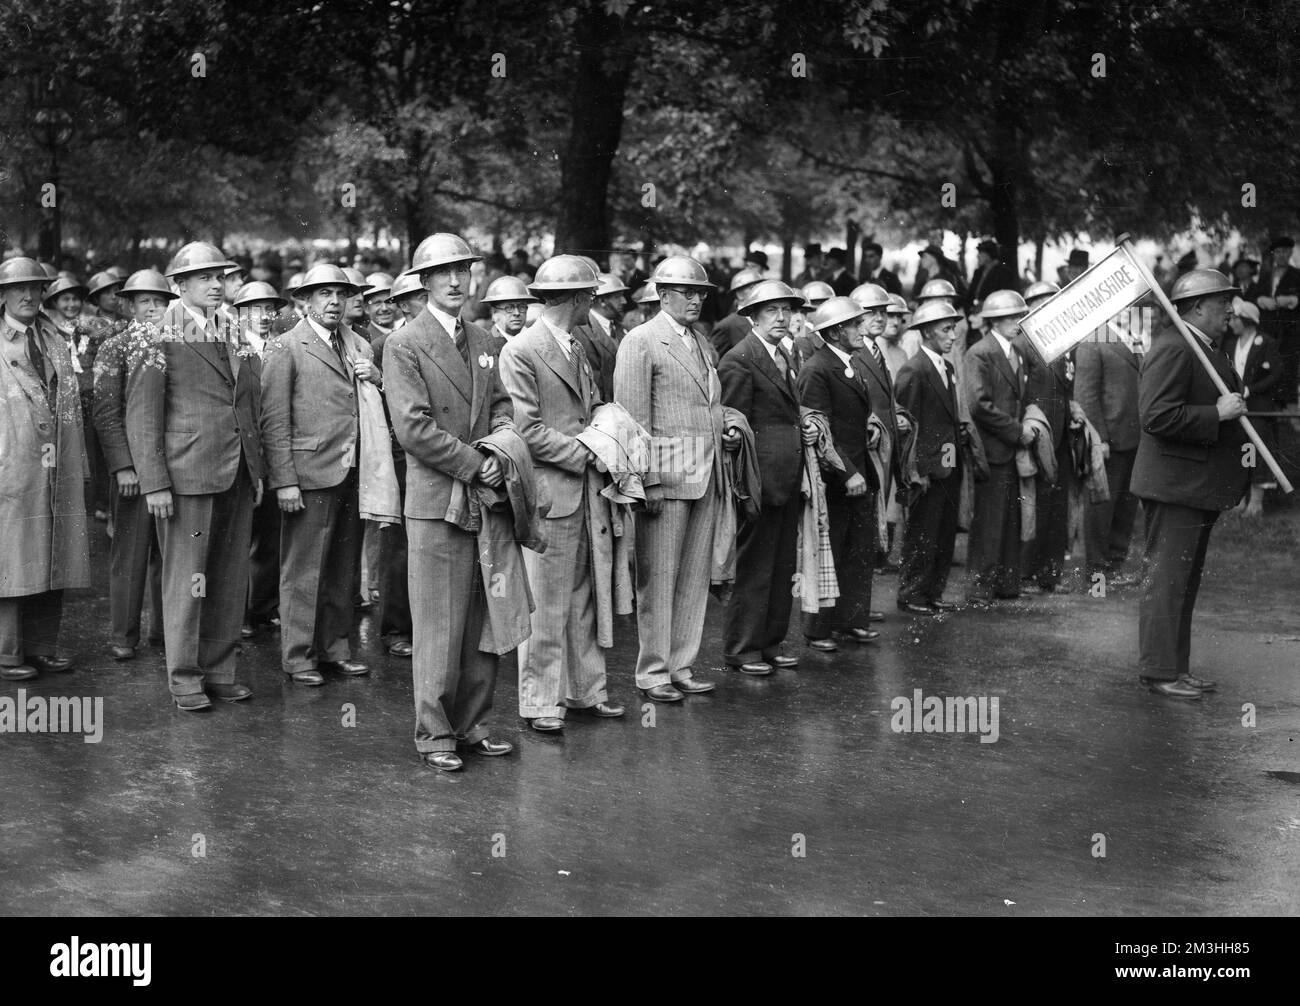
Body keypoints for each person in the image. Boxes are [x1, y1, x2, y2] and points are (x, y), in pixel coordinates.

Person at [383, 232, 516, 770]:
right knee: (439, 623)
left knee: (484, 619)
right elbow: (413, 429)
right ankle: (435, 734)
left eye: (463, 270)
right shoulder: (405, 343)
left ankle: (474, 723)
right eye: (444, 273)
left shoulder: (486, 342)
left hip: (485, 497)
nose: (457, 281)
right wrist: (476, 463)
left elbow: (505, 407)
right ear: (424, 282)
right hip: (439, 499)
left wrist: (502, 445)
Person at [125, 241, 264, 711]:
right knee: (188, 580)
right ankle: (185, 677)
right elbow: (142, 415)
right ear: (178, 286)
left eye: (220, 277)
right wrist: (155, 482)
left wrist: (256, 469)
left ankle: (220, 670)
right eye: (204, 278)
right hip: (186, 475)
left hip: (237, 472)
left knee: (227, 577)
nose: (215, 285)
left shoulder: (234, 328)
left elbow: (247, 403)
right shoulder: (158, 333)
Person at [498, 256, 625, 731]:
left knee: (583, 598)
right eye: (590, 294)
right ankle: (540, 702)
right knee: (547, 603)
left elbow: (586, 410)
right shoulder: (523, 350)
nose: (593, 301)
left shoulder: (575, 344)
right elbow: (525, 430)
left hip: (582, 490)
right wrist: (586, 454)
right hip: (553, 493)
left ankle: (586, 690)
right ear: (574, 299)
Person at [614, 255, 733, 701]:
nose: (696, 299)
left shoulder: (700, 341)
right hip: (666, 475)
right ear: (662, 295)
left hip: (705, 474)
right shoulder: (640, 341)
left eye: (701, 292)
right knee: (658, 579)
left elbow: (709, 405)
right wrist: (644, 482)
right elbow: (632, 419)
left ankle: (681, 664)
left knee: (692, 576)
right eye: (687, 292)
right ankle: (653, 672)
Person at [1130, 269, 1249, 698]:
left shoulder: (1203, 348)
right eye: (1223, 303)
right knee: (1167, 581)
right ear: (1197, 307)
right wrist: (1215, 414)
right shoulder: (1175, 347)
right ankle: (1160, 671)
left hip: (1193, 487)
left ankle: (1174, 668)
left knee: (1183, 581)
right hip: (1175, 487)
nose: (1231, 310)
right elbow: (1156, 416)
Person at [261, 264, 378, 686]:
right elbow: (274, 420)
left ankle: (335, 648)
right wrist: (285, 480)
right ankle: (298, 656)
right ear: (305, 301)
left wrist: (376, 378)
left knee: (343, 567)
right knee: (304, 567)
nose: (333, 301)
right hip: (308, 474)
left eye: (340, 294)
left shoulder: (359, 344)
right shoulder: (286, 346)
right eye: (323, 294)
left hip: (352, 471)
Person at [0, 257, 90, 682]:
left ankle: (41, 647)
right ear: (2, 294)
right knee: (13, 561)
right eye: (19, 288)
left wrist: (80, 466)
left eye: (36, 287)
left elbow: (71, 407)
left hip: (58, 465)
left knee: (52, 557)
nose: (29, 295)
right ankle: (7, 653)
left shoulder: (54, 337)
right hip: (13, 465)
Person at [717, 280, 812, 675]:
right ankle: (743, 647)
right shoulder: (740, 359)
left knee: (780, 564)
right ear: (753, 317)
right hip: (758, 482)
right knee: (755, 564)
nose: (782, 317)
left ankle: (770, 642)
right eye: (772, 311)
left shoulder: (781, 355)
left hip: (786, 476)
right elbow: (733, 425)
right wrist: (743, 485)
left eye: (786, 310)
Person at [92, 269, 169, 660]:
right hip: (133, 471)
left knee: (167, 553)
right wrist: (123, 466)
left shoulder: (177, 344)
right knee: (131, 553)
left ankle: (162, 632)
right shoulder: (115, 346)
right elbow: (105, 413)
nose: (153, 308)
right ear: (130, 305)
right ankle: (124, 635)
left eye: (159, 301)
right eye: (144, 302)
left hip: (171, 467)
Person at [797, 296, 880, 650]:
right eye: (854, 324)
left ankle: (851, 620)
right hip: (835, 479)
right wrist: (847, 472)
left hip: (858, 472)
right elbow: (819, 428)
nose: (862, 329)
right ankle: (818, 629)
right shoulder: (817, 368)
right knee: (828, 550)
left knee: (857, 549)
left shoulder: (850, 362)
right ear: (835, 331)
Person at [894, 301, 968, 614]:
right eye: (946, 330)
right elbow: (907, 427)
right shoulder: (914, 369)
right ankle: (912, 593)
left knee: (943, 532)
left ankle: (933, 591)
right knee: (923, 532)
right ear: (927, 332)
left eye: (953, 329)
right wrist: (916, 471)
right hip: (926, 469)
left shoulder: (946, 367)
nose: (953, 336)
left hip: (948, 466)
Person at [962, 289, 1031, 607]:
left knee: (1008, 519)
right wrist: (1017, 432)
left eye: (1019, 316)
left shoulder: (1012, 350)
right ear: (995, 320)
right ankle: (979, 587)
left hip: (1009, 448)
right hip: (993, 449)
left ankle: (1005, 583)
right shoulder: (980, 352)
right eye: (1012, 317)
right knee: (989, 520)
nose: (1018, 322)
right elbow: (979, 405)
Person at [1073, 284, 1143, 585]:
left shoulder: (1136, 337)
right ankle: (1097, 571)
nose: (1129, 308)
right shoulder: (1092, 339)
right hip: (1109, 440)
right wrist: (1098, 438)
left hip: (1134, 437)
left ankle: (1114, 565)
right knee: (1101, 506)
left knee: (1126, 507)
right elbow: (1086, 395)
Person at [230, 281, 286, 639]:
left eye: (269, 310)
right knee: (242, 537)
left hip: (274, 451)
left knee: (270, 536)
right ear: (240, 315)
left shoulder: (280, 348)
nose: (263, 317)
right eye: (255, 310)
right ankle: (240, 611)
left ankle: (263, 607)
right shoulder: (233, 350)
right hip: (245, 454)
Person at [1222, 299, 1284, 517]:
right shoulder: (1229, 344)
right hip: (1238, 408)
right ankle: (1240, 499)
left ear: (1246, 319)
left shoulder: (1266, 343)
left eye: (1235, 318)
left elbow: (1275, 375)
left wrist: (1251, 390)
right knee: (1242, 450)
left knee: (1257, 451)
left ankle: (1256, 502)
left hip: (1258, 408)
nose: (1230, 323)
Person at [1252, 236, 1300, 408]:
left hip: (1289, 328)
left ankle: (1289, 405)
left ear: (1290, 253)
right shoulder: (1265, 275)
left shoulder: (1296, 275)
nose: (1281, 255)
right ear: (1273, 254)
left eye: (1284, 252)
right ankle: (1269, 403)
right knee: (1268, 361)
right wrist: (1262, 300)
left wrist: (1290, 300)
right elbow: (1255, 296)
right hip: (1268, 326)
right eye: (1278, 252)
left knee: (1289, 364)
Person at [570, 271, 622, 403]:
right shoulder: (580, 328)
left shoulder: (621, 328)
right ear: (603, 300)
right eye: (618, 297)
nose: (624, 301)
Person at [709, 266, 765, 357]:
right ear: (739, 294)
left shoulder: (765, 320)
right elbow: (713, 360)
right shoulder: (727, 325)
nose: (758, 292)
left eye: (759, 287)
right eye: (752, 287)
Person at [964, 240, 1020, 318]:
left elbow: (1004, 296)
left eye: (981, 253)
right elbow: (970, 295)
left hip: (994, 313)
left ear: (988, 255)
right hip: (975, 314)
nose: (978, 256)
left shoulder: (1003, 271)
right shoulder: (978, 272)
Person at [479, 274, 534, 353]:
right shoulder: (485, 346)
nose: (517, 313)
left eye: (521, 307)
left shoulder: (535, 340)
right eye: (509, 308)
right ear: (494, 314)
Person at [362, 272, 398, 343]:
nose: (384, 308)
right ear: (366, 308)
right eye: (377, 303)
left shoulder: (405, 331)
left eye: (389, 301)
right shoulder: (365, 341)